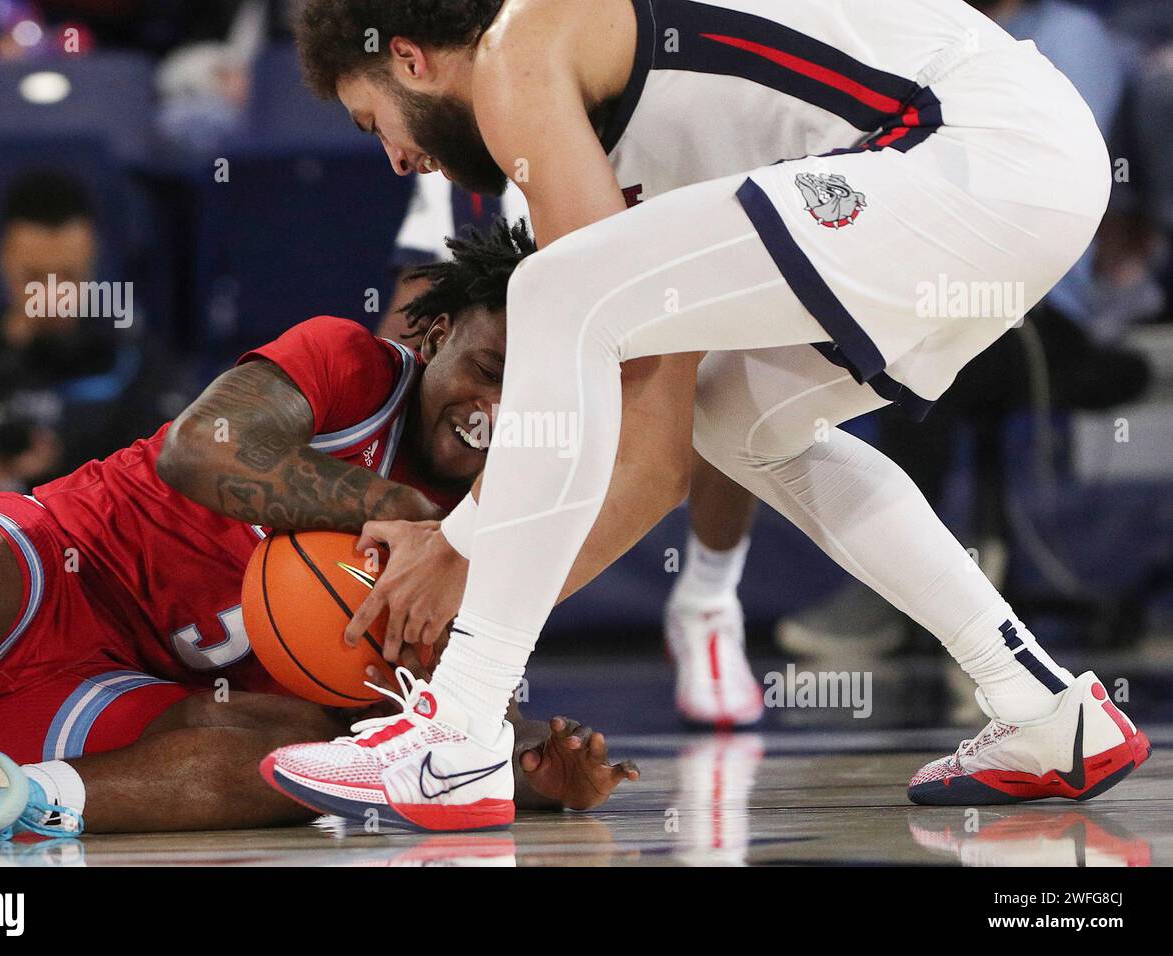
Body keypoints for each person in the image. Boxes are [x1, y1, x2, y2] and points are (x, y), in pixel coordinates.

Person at [268, 0, 1150, 831]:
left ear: (411, 59)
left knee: (554, 289)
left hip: (970, 149)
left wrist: (459, 555)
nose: (393, 159)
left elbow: (584, 336)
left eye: (370, 121)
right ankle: (1041, 705)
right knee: (738, 423)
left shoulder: (518, 48)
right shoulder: (614, 123)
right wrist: (462, 560)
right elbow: (653, 460)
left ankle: (455, 736)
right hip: (1017, 175)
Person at [0, 222, 637, 843]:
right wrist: (398, 510)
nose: (495, 410)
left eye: (527, 392)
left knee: (306, 759)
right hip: (55, 567)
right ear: (434, 335)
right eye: (489, 368)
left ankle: (6, 798)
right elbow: (199, 448)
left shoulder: (500, 522)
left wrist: (536, 767)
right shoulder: (349, 365)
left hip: (132, 709)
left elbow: (437, 720)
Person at [383, 173, 761, 727]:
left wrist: (467, 607)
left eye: (374, 120)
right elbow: (416, 307)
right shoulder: (470, 150)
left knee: (727, 399)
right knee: (437, 387)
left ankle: (709, 596)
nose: (396, 156)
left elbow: (654, 470)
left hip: (771, 228)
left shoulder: (653, 162)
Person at [0, 169, 190, 524]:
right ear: (1, 259)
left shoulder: (135, 367)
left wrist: (63, 469)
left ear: (93, 255)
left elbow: (167, 507)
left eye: (68, 276)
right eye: (33, 277)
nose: (50, 297)